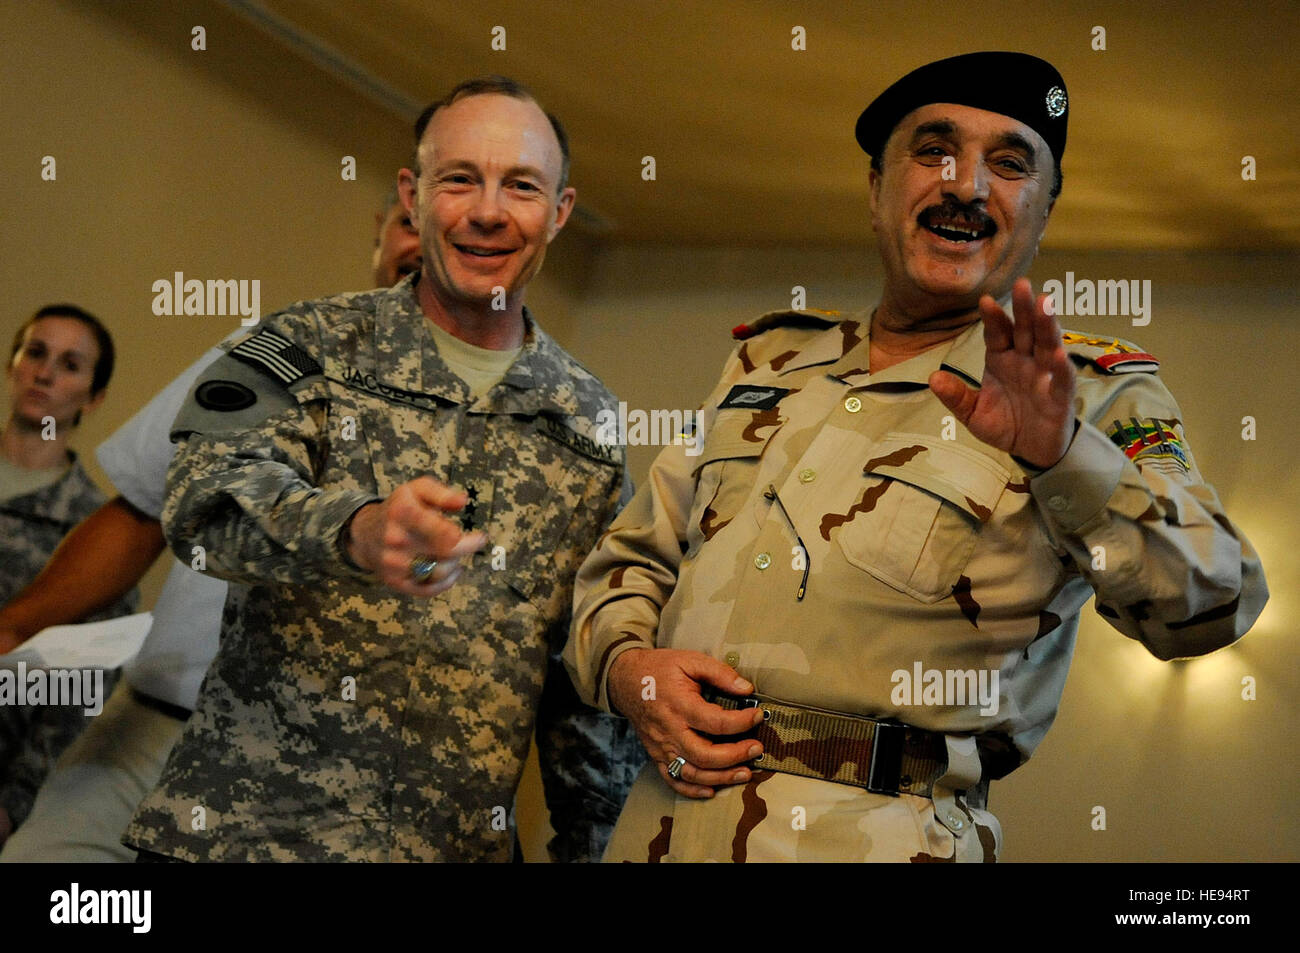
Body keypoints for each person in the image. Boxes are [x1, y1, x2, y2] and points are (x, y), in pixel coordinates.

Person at [564, 51, 1268, 863]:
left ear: (1042, 212)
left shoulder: (1087, 393)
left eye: (1009, 165)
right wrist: (630, 672)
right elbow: (626, 562)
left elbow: (1214, 604)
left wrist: (1061, 455)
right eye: (934, 150)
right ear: (875, 191)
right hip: (652, 832)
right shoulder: (768, 362)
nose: (965, 185)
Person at [121, 76, 642, 862]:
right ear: (415, 191)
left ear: (561, 211)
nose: (489, 211)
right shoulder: (307, 346)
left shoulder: (588, 423)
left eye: (522, 186)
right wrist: (357, 530)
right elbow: (201, 508)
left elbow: (583, 687)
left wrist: (593, 848)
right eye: (460, 178)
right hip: (246, 842)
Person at [0, 304, 133, 846]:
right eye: (35, 352)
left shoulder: (94, 534)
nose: (46, 372)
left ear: (93, 397)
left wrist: (13, 805)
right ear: (13, 364)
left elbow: (80, 690)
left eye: (70, 364)